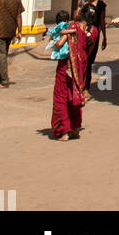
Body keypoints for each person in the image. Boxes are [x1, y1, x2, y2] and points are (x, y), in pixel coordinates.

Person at [47, 10, 91, 139]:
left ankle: (64, 130)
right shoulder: (86, 30)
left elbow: (60, 42)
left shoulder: (71, 28)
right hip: (77, 69)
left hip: (65, 68)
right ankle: (72, 126)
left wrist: (54, 44)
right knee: (73, 96)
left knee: (62, 97)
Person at [78, 0, 107, 94]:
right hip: (82, 32)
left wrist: (105, 37)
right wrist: (82, 8)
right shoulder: (83, 2)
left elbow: (102, 21)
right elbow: (76, 17)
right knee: (81, 58)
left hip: (94, 33)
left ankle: (86, 87)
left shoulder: (100, 5)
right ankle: (79, 84)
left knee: (89, 60)